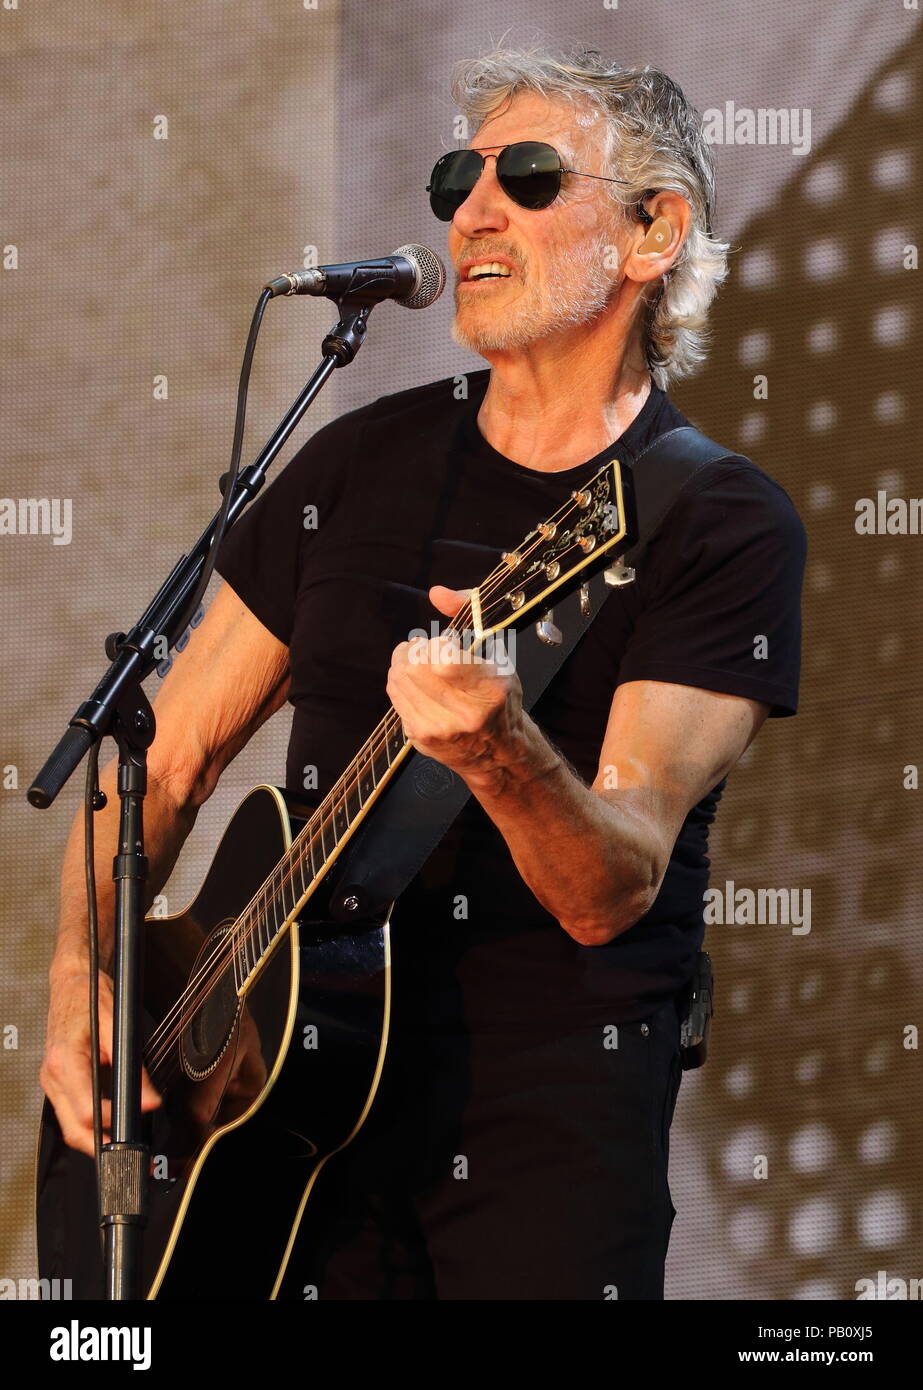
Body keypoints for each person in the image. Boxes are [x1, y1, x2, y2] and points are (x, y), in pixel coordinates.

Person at [40, 48, 806, 1299]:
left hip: (539, 1148)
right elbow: (160, 760)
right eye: (458, 177)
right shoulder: (353, 462)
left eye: (528, 176)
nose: (470, 211)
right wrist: (83, 980)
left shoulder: (716, 520)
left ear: (652, 231)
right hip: (277, 1132)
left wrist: (498, 750)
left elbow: (615, 883)